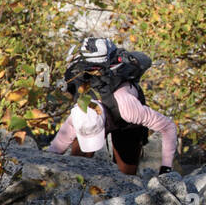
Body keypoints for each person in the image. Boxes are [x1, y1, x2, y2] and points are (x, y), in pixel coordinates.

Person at [45, 37, 179, 176]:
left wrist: (166, 168)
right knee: (77, 166)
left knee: (127, 175)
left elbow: (168, 126)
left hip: (126, 123)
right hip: (105, 112)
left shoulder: (129, 109)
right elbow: (58, 144)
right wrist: (44, 168)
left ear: (105, 123)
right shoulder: (80, 114)